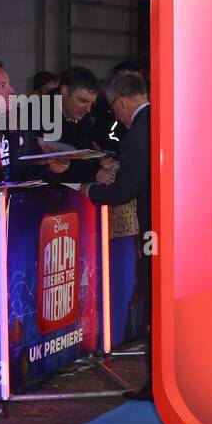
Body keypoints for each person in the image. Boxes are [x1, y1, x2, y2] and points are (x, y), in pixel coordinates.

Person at [76, 71, 151, 400]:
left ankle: (155, 383)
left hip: (153, 232)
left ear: (122, 102)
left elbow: (124, 192)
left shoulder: (136, 135)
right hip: (169, 228)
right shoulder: (163, 120)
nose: (115, 117)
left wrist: (89, 190)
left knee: (152, 302)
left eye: (113, 108)